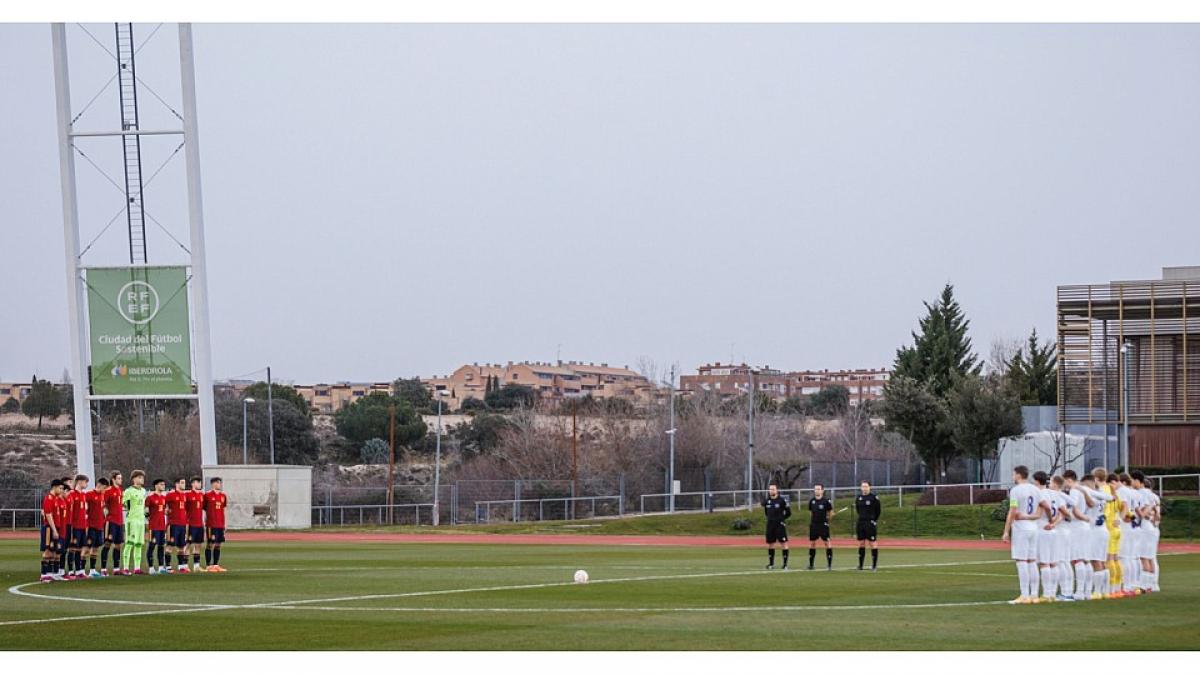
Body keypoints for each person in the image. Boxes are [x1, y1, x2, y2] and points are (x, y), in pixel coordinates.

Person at [1002, 465, 1043, 604]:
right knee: (1032, 561)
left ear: (1019, 475)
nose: (1012, 477)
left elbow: (1013, 510)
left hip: (1021, 529)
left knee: (1021, 561)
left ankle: (1024, 595)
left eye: (1013, 474)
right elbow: (1042, 507)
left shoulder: (1016, 490)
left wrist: (1006, 530)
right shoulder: (1036, 489)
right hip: (1033, 527)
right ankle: (1034, 595)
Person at [1131, 471, 1160, 592]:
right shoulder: (1154, 495)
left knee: (1143, 557)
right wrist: (1154, 520)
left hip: (1144, 527)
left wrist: (1141, 514)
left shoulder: (1140, 494)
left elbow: (1143, 510)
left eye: (1132, 480)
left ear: (1138, 481)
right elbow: (1157, 514)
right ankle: (1152, 584)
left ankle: (1144, 585)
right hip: (1153, 527)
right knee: (1151, 557)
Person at [121, 470, 148, 575]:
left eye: (142, 477)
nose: (142, 479)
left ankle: (137, 568)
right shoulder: (128, 491)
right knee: (129, 543)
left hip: (141, 520)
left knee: (139, 544)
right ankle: (126, 568)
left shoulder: (143, 491)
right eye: (140, 477)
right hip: (132, 521)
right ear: (134, 479)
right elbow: (124, 504)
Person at [39, 479, 66, 582]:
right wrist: (54, 530)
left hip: (56, 528)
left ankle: (49, 573)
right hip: (49, 528)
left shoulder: (55, 499)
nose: (61, 490)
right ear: (54, 487)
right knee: (48, 551)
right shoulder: (49, 499)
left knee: (53, 551)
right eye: (60, 488)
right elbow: (48, 515)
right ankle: (43, 574)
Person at [1103, 472, 1124, 596]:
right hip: (1117, 530)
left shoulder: (1107, 493)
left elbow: (1106, 511)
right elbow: (1126, 510)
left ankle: (1111, 589)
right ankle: (1117, 588)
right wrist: (1121, 519)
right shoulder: (1116, 496)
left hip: (1109, 528)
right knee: (1116, 559)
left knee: (1109, 559)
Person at [761, 483, 791, 569]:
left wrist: (782, 519)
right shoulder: (767, 501)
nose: (771, 491)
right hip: (770, 525)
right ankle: (771, 564)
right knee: (771, 544)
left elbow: (788, 513)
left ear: (777, 490)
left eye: (773, 489)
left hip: (779, 525)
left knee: (783, 543)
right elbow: (766, 512)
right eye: (770, 489)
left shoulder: (782, 501)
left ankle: (785, 564)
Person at [101, 471, 126, 576]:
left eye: (121, 478)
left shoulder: (120, 491)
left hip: (119, 521)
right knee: (107, 544)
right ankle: (103, 569)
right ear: (113, 479)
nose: (121, 480)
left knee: (118, 545)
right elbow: (103, 504)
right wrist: (106, 514)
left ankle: (116, 569)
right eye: (119, 478)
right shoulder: (108, 491)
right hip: (111, 522)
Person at [854, 481, 881, 571]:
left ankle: (874, 565)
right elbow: (858, 510)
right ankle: (860, 565)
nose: (864, 488)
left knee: (872, 543)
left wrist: (873, 520)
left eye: (866, 486)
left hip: (870, 523)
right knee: (861, 543)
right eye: (863, 487)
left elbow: (878, 511)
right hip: (861, 522)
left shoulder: (874, 498)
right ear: (861, 488)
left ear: (870, 487)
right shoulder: (859, 498)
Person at [203, 477, 229, 572]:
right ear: (213, 484)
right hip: (211, 524)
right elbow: (204, 508)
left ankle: (216, 564)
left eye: (220, 483)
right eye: (218, 483)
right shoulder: (207, 495)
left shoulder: (223, 496)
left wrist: (225, 524)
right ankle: (208, 566)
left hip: (220, 524)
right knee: (210, 544)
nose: (219, 484)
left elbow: (223, 509)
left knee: (218, 544)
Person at [806, 484, 834, 570]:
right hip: (814, 525)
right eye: (815, 489)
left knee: (827, 543)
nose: (817, 491)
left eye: (818, 489)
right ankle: (811, 564)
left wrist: (828, 519)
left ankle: (829, 565)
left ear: (822, 490)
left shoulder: (826, 502)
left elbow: (830, 513)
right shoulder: (812, 501)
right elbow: (810, 512)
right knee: (812, 543)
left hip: (823, 525)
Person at [67, 474, 90, 579]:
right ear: (80, 481)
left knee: (80, 549)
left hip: (83, 526)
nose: (86, 484)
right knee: (72, 549)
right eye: (85, 482)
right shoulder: (72, 494)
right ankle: (71, 571)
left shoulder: (84, 495)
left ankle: (79, 570)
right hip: (75, 526)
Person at [166, 477, 191, 573]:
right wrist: (166, 511)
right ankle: (168, 567)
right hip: (173, 524)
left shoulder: (184, 496)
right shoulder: (170, 495)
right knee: (170, 546)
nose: (184, 484)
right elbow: (164, 505)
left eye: (184, 482)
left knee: (181, 547)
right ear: (177, 484)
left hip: (182, 524)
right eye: (182, 482)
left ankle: (181, 566)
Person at [84, 478, 107, 578]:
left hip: (99, 526)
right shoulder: (89, 495)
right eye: (104, 488)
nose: (105, 490)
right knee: (87, 548)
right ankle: (82, 570)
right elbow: (84, 509)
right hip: (91, 525)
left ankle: (92, 570)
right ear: (99, 485)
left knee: (96, 548)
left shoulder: (102, 496)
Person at [146, 479, 169, 574]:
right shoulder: (150, 498)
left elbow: (164, 511)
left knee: (161, 546)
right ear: (156, 486)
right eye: (161, 484)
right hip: (154, 526)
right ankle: (151, 567)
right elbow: (146, 512)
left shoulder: (164, 498)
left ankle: (160, 567)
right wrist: (150, 521)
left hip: (162, 526)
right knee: (152, 546)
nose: (163, 486)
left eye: (164, 484)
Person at [186, 477, 207, 571]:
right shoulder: (188, 494)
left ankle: (196, 566)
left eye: (200, 482)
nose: (200, 484)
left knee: (198, 545)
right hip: (190, 524)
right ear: (193, 484)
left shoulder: (202, 495)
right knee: (188, 545)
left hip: (199, 524)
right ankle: (184, 566)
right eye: (198, 482)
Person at [55, 476, 71, 577]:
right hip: (59, 527)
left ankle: (60, 570)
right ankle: (52, 572)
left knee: (64, 549)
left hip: (67, 526)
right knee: (57, 550)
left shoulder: (65, 500)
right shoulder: (56, 500)